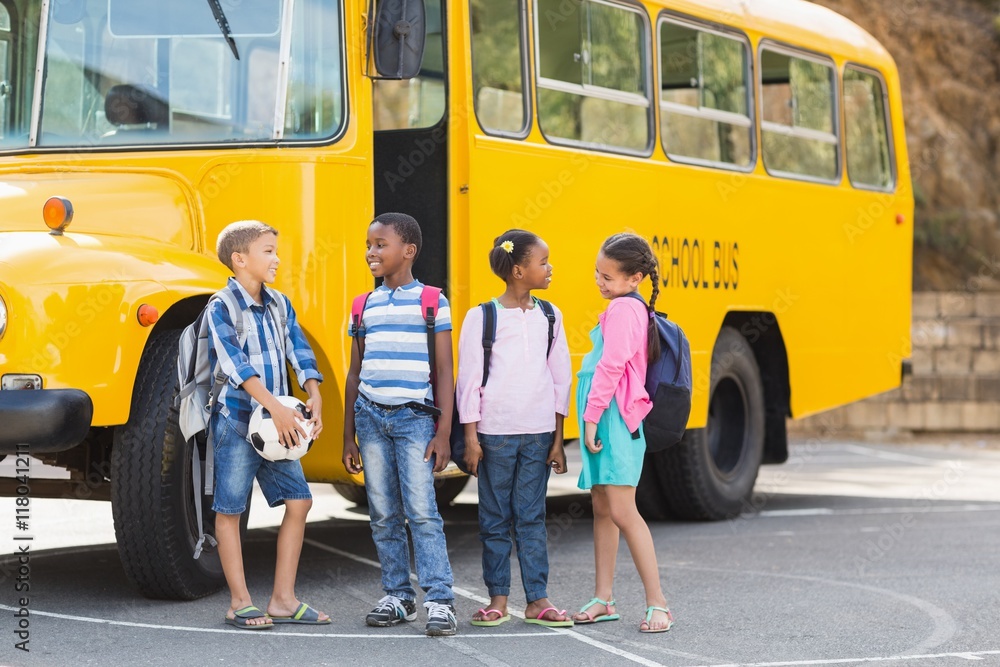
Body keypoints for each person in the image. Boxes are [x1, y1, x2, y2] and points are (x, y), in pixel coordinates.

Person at [207, 220, 329, 630]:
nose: (277, 259)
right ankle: (239, 602)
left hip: (278, 425)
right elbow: (236, 365)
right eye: (268, 251)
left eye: (276, 250)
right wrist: (276, 407)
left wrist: (313, 391)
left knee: (300, 502)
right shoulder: (221, 306)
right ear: (240, 259)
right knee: (230, 510)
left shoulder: (280, 303)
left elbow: (299, 347)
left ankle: (282, 599)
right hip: (239, 422)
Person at [342, 212, 458, 637]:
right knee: (383, 513)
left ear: (407, 251)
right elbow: (355, 373)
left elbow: (444, 371)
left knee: (423, 511)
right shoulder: (363, 304)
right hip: (370, 418)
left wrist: (443, 431)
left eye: (380, 244)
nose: (371, 252)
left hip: (414, 419)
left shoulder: (432, 301)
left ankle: (440, 600)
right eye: (369, 244)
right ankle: (398, 596)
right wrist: (347, 435)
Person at [456, 230, 573, 628]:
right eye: (543, 262)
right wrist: (471, 439)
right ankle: (498, 599)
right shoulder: (482, 316)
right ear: (519, 270)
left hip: (539, 434)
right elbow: (468, 381)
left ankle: (538, 599)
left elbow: (561, 381)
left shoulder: (550, 315)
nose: (549, 267)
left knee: (531, 517)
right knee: (493, 517)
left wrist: (558, 441)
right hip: (494, 435)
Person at [571, 232, 674, 634]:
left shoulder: (625, 311)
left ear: (634, 279)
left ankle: (658, 603)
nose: (600, 281)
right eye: (597, 272)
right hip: (603, 416)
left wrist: (592, 416)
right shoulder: (621, 307)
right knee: (602, 508)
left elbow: (612, 367)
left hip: (613, 419)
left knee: (622, 511)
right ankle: (604, 598)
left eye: (608, 276)